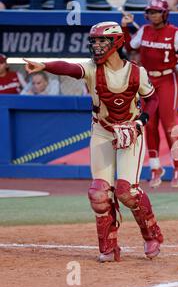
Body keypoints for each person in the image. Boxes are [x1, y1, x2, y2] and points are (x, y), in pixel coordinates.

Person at [23, 21, 164, 263]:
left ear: (117, 42)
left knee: (126, 192)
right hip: (102, 131)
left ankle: (151, 235)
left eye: (102, 41)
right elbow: (68, 68)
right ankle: (108, 247)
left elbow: (151, 100)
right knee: (99, 193)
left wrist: (140, 123)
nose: (97, 46)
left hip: (130, 132)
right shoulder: (90, 68)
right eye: (94, 41)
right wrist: (43, 65)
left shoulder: (136, 72)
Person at [121, 0, 178, 188]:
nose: (153, 15)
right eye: (150, 12)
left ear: (164, 13)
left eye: (156, 11)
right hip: (147, 80)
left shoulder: (175, 32)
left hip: (168, 79)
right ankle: (156, 168)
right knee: (149, 124)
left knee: (169, 125)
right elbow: (129, 47)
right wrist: (124, 27)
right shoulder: (144, 30)